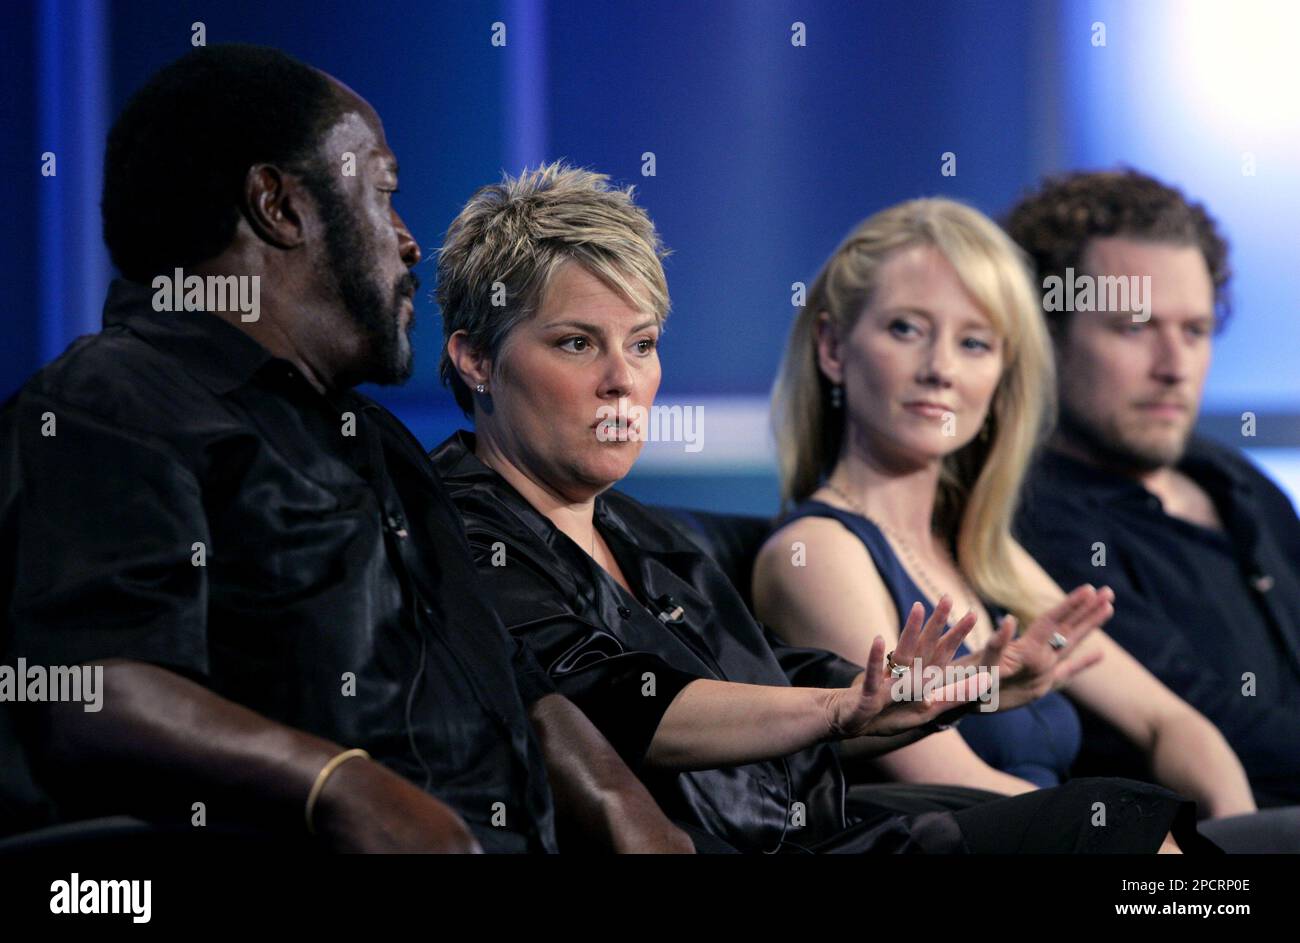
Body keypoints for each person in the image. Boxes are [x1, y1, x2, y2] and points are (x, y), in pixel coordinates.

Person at [0, 44, 694, 854]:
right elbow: (88, 687)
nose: (408, 243)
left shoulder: (377, 440)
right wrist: (342, 785)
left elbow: (512, 678)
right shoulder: (111, 403)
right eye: (383, 193)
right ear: (278, 205)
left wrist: (621, 802)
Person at [433, 162, 1211, 853]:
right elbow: (624, 702)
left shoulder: (646, 533)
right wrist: (844, 708)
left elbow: (774, 673)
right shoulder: (455, 526)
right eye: (577, 343)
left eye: (641, 344)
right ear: (476, 360)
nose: (622, 379)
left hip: (832, 829)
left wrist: (955, 685)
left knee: (1156, 842)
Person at [754, 197, 1262, 840]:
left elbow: (1172, 724)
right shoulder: (818, 554)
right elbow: (952, 784)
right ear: (832, 346)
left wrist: (1237, 837)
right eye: (906, 329)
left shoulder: (986, 554)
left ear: (1000, 377)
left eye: (973, 343)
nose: (940, 368)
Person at [1007, 169, 1300, 815]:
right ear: (1045, 336)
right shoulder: (1024, 518)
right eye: (1135, 327)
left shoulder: (1233, 476)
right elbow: (1207, 715)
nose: (1175, 365)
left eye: (1195, 330)